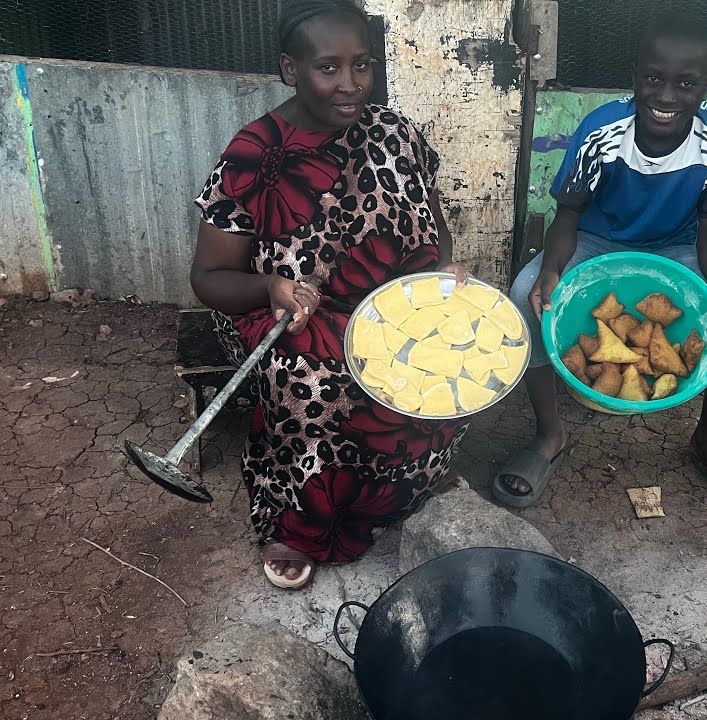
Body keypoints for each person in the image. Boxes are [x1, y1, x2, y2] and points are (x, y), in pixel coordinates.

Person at [190, 0, 471, 590]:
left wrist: (442, 271)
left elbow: (432, 220)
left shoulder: (395, 133)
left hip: (394, 303)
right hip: (286, 311)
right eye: (329, 68)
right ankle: (301, 522)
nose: (351, 84)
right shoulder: (254, 155)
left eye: (362, 65)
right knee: (312, 378)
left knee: (456, 348)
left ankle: (415, 479)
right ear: (290, 69)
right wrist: (271, 286)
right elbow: (209, 277)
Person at [494, 21, 707, 517]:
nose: (665, 95)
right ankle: (549, 435)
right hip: (594, 241)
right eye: (653, 78)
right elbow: (567, 217)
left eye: (685, 83)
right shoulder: (602, 130)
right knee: (525, 296)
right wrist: (551, 269)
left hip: (677, 249)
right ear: (634, 77)